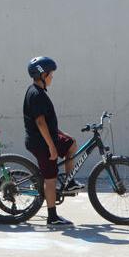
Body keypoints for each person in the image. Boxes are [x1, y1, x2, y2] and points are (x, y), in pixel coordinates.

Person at [24, 57, 82, 227]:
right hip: (41, 143)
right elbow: (40, 122)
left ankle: (69, 182)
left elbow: (47, 122)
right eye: (51, 74)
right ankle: (52, 217)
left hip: (46, 138)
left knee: (71, 143)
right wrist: (52, 147)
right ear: (43, 75)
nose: (52, 77)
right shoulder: (36, 94)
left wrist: (61, 134)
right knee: (50, 179)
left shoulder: (38, 91)